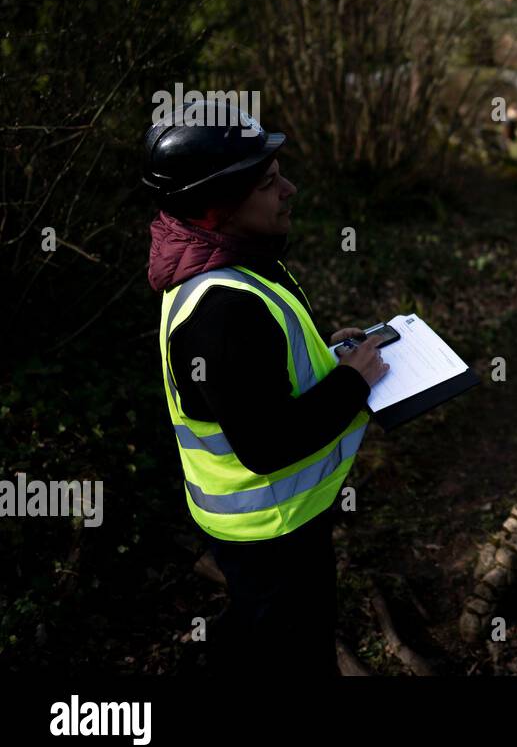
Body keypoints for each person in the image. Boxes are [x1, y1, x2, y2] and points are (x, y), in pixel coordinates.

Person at [143, 98, 389, 676]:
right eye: (269, 183)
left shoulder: (228, 263)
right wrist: (352, 385)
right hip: (272, 533)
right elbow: (265, 444)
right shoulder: (221, 308)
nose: (291, 190)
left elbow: (253, 383)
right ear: (219, 207)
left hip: (269, 529)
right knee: (294, 655)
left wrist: (330, 356)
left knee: (262, 631)